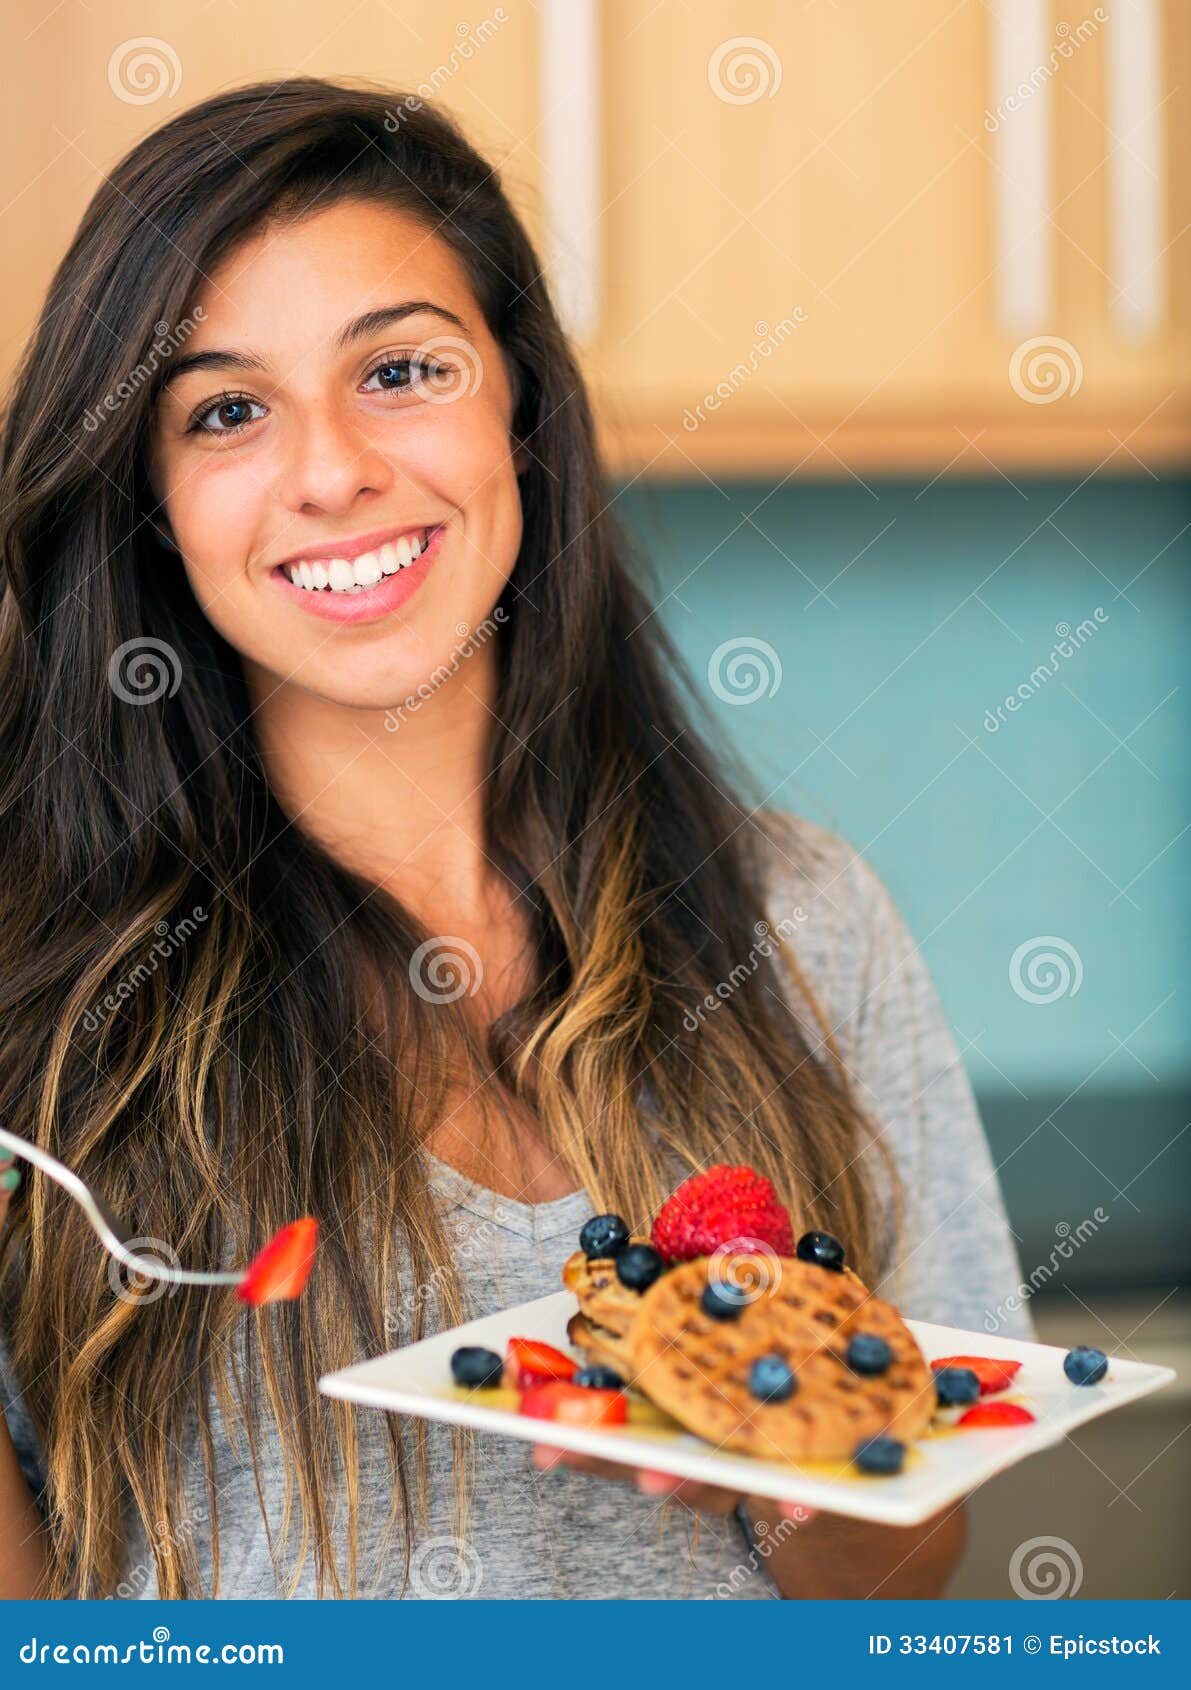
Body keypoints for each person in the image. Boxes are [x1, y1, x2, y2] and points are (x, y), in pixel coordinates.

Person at [0, 78, 1030, 1601]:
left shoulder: (803, 919)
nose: (333, 469)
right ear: (151, 502)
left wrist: (788, 1460)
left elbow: (895, 1570)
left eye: (402, 370)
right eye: (225, 409)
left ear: (522, 414)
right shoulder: (42, 987)